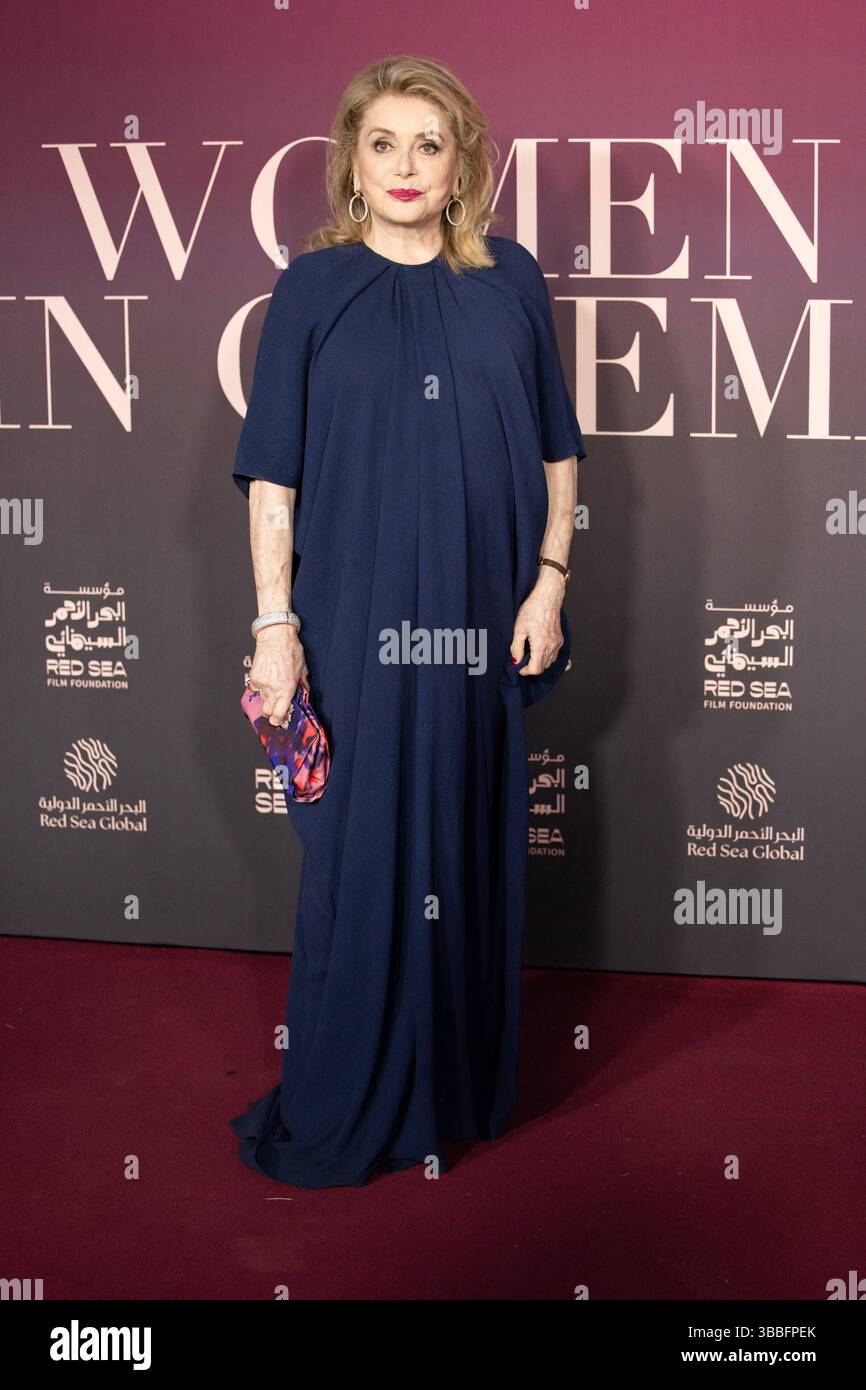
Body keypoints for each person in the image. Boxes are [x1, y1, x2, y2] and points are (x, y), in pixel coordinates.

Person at [230, 55, 587, 1188]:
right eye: (381, 143)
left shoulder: (509, 284)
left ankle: (456, 1085)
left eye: (427, 145)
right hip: (350, 623)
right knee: (361, 850)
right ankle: (354, 1092)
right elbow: (272, 481)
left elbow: (558, 451)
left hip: (482, 619)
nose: (403, 167)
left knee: (467, 836)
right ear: (350, 160)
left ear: (460, 162)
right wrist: (274, 627)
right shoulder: (310, 291)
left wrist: (547, 579)